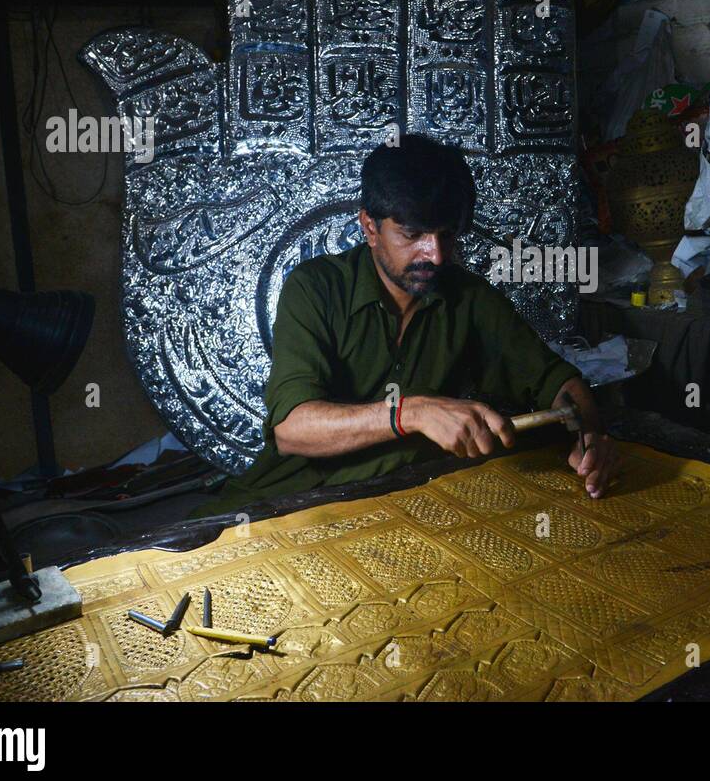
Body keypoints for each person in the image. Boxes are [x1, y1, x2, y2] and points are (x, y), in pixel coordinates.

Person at [196, 136, 618, 515]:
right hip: (291, 500)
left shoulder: (467, 298)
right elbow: (292, 429)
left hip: (405, 500)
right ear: (370, 227)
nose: (434, 255)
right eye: (413, 234)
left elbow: (559, 383)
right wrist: (411, 413)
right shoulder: (315, 288)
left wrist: (589, 436)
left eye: (447, 235)